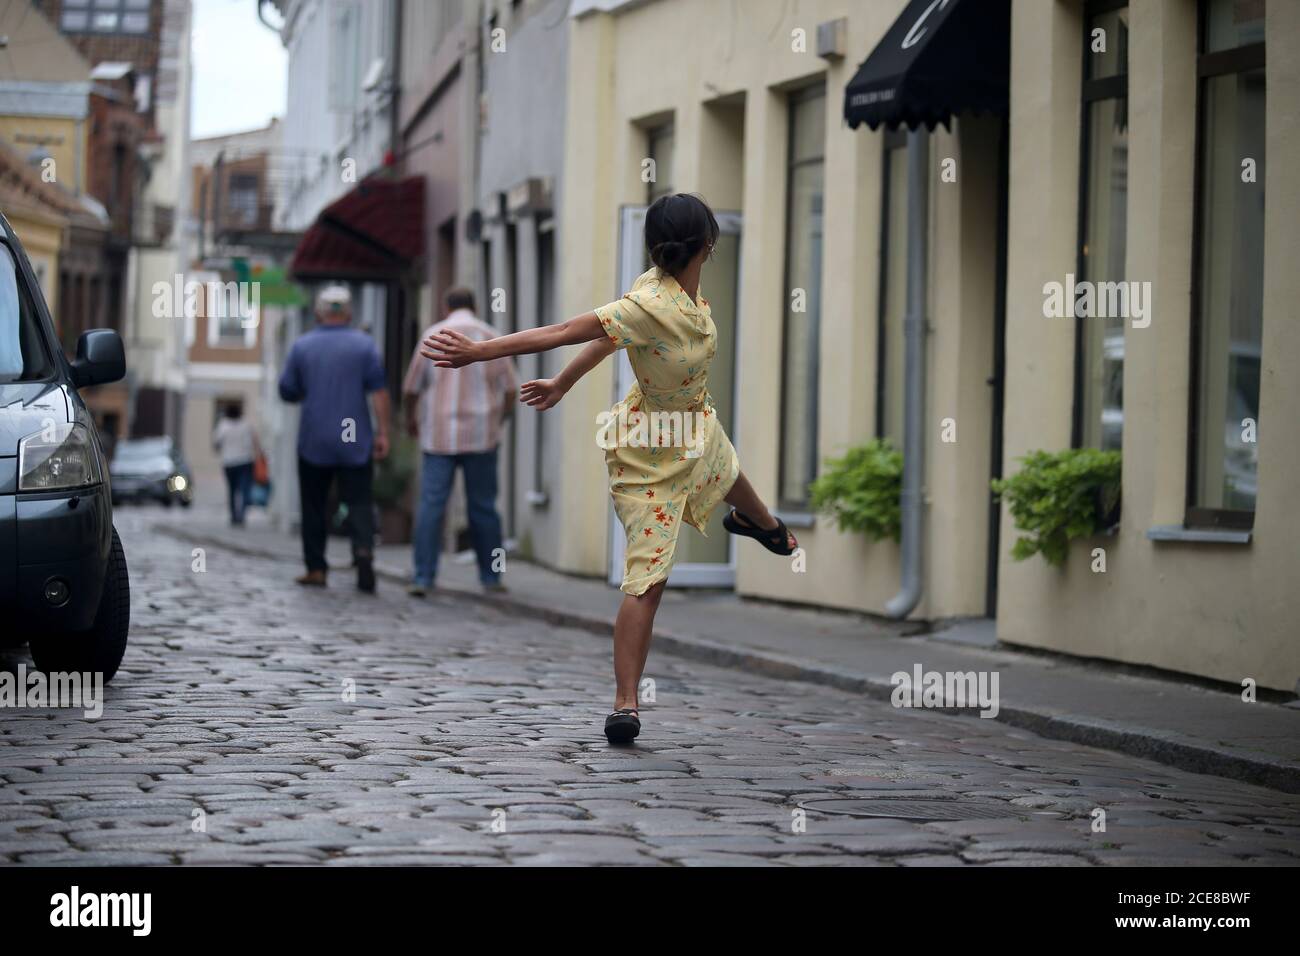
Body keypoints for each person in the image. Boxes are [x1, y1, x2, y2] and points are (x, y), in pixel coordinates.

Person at [423, 193, 797, 743]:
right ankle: (626, 705)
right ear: (708, 245)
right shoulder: (649, 300)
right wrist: (480, 353)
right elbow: (565, 332)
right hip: (649, 450)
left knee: (726, 465)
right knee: (649, 578)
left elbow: (611, 339)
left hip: (695, 423)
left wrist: (561, 383)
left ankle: (759, 524)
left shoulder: (676, 291)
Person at [403, 288, 517, 597]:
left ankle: (423, 576)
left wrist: (411, 419)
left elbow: (412, 387)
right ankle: (491, 577)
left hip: (438, 437)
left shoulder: (432, 335)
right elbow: (510, 389)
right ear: (475, 305)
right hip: (482, 436)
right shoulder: (490, 335)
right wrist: (499, 418)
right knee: (483, 507)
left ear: (445, 306)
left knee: (431, 506)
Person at [278, 284, 391, 593]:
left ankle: (316, 567)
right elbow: (379, 392)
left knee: (313, 503)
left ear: (318, 312)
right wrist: (384, 432)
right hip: (355, 438)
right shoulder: (365, 345)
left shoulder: (302, 346)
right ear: (350, 313)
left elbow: (287, 390)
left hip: (315, 437)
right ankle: (363, 551)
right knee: (359, 501)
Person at [212, 404, 259, 526]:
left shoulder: (223, 425)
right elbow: (255, 440)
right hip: (245, 461)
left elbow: (216, 443)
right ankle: (241, 515)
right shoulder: (246, 424)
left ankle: (234, 516)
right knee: (244, 489)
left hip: (229, 462)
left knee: (232, 490)